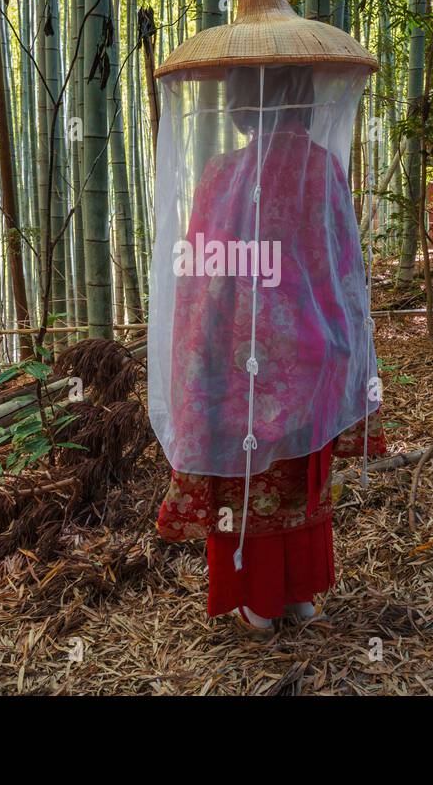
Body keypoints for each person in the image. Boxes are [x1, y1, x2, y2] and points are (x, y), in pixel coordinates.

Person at [155, 64, 383, 633]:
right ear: (303, 98)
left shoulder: (221, 174)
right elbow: (343, 269)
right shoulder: (322, 168)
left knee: (248, 475)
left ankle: (257, 598)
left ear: (239, 104)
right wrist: (346, 344)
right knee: (300, 472)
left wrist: (196, 357)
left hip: (240, 362)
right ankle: (299, 592)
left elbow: (201, 284)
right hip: (311, 355)